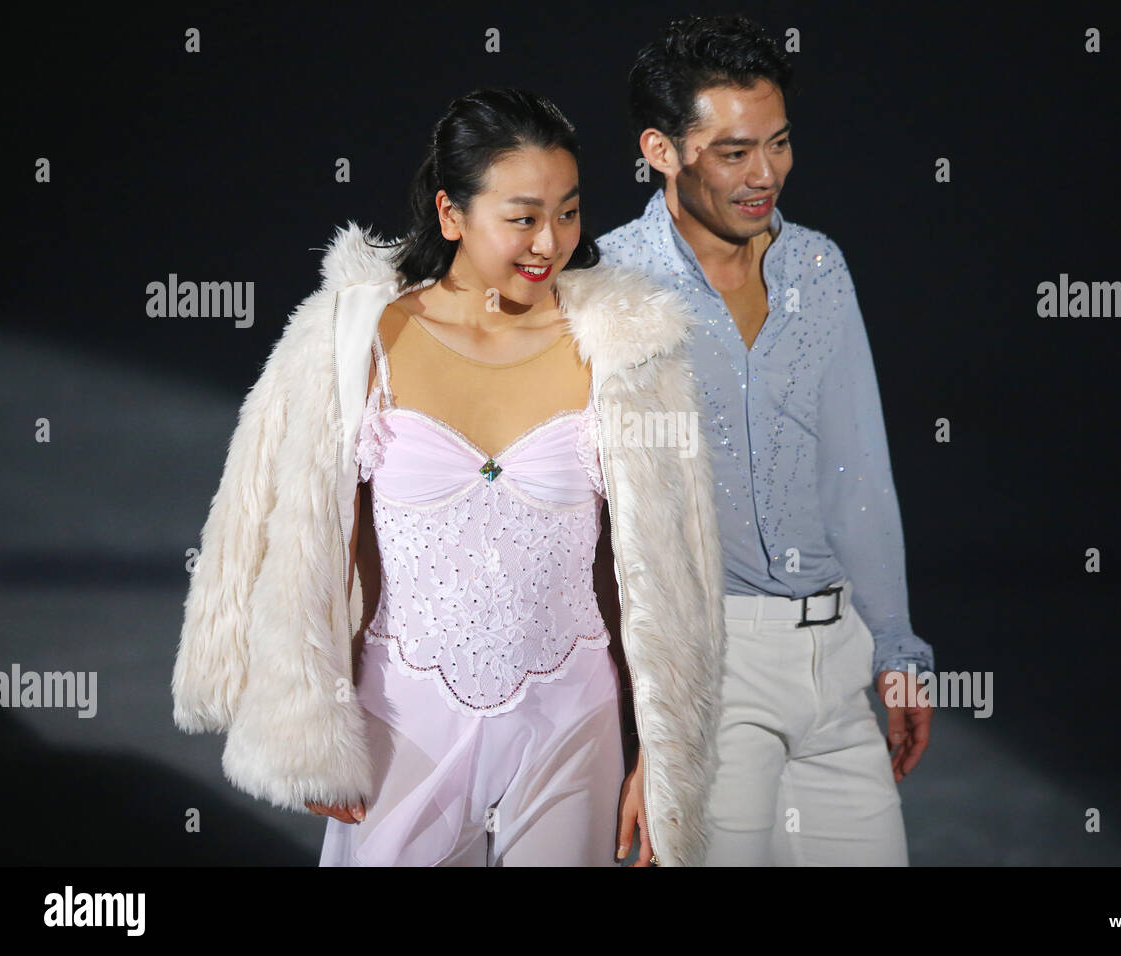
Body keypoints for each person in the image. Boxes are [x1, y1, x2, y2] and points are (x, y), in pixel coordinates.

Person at [171, 87, 727, 866]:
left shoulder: (630, 353)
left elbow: (665, 573)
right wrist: (304, 723)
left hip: (575, 722)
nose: (550, 241)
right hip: (404, 720)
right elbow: (280, 529)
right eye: (523, 216)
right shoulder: (353, 340)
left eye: (568, 212)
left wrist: (659, 759)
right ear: (450, 213)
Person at [596, 15, 935, 866]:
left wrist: (896, 648)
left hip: (836, 659)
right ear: (662, 151)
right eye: (734, 152)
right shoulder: (607, 283)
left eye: (778, 145)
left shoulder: (819, 269)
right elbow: (593, 520)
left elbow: (857, 473)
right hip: (708, 665)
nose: (766, 175)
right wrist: (641, 727)